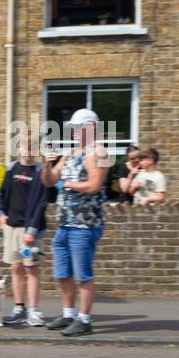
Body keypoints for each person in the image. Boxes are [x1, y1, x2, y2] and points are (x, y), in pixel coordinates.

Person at [40, 109, 107, 336]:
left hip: (84, 225)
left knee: (82, 276)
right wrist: (47, 164)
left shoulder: (98, 151)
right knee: (62, 273)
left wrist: (69, 185)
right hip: (64, 224)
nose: (75, 132)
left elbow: (94, 185)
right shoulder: (70, 153)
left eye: (79, 127)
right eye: (74, 128)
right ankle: (68, 314)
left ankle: (84, 319)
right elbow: (49, 181)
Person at [0, 144, 50, 326]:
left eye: (32, 147)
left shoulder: (40, 170)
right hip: (11, 228)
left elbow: (42, 202)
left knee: (32, 269)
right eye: (24, 147)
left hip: (30, 231)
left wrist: (32, 230)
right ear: (17, 149)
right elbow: (1, 196)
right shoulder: (11, 169)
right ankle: (19, 309)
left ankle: (34, 311)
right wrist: (1, 214)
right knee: (16, 268)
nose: (28, 151)